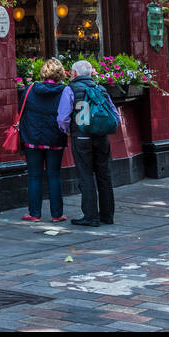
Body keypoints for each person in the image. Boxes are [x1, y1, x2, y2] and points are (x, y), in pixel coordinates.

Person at [62, 58, 119, 227]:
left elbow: (62, 117)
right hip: (101, 137)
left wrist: (66, 130)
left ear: (74, 73)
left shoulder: (70, 89)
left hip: (81, 137)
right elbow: (115, 114)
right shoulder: (101, 89)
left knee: (86, 176)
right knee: (104, 175)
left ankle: (90, 216)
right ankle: (107, 215)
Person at [17, 57, 68, 223]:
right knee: (54, 175)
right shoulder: (64, 91)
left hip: (32, 137)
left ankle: (35, 213)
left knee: (34, 176)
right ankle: (57, 214)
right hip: (55, 138)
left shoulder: (31, 89)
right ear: (60, 73)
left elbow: (21, 110)